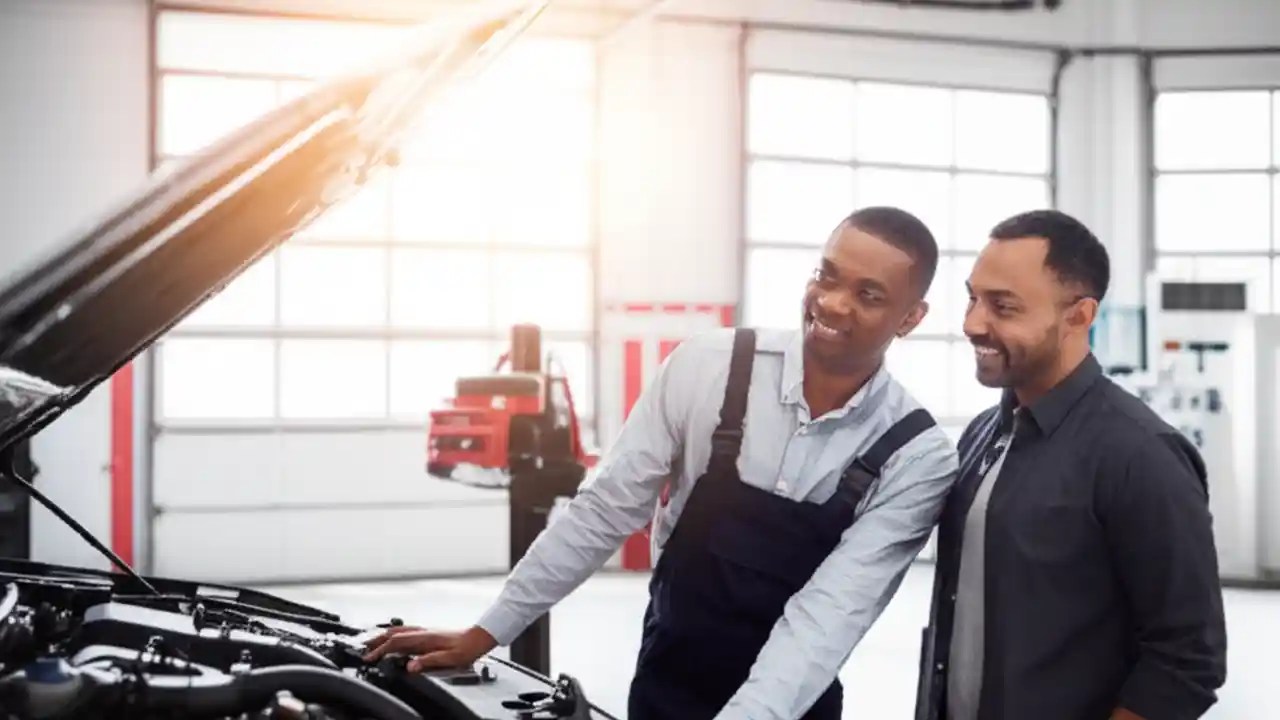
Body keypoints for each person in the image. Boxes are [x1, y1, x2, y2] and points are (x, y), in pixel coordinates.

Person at [364, 206, 959, 720]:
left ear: (911, 317)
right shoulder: (711, 367)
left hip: (791, 703)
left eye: (868, 295)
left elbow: (828, 616)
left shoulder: (915, 455)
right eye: (826, 276)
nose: (831, 302)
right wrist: (487, 631)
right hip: (666, 683)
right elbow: (605, 509)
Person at [914, 209, 1228, 720]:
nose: (972, 323)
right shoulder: (982, 435)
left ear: (1079, 316)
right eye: (973, 298)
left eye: (1003, 306)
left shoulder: (1141, 456)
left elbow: (1186, 662)